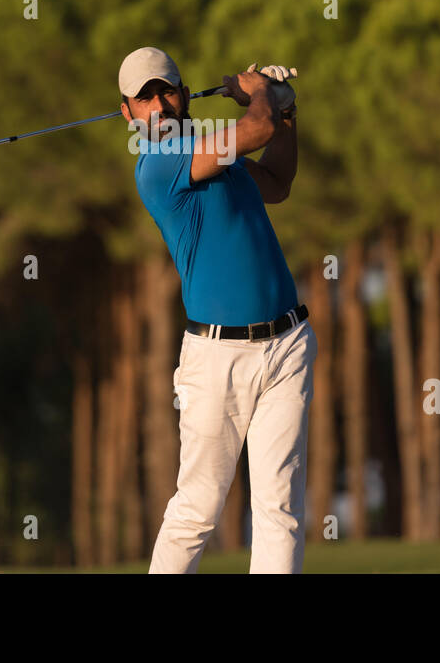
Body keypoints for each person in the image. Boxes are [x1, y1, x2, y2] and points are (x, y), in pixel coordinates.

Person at [117, 46, 317, 573]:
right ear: (128, 114)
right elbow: (254, 132)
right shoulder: (157, 165)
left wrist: (285, 111)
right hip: (217, 358)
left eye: (165, 91)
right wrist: (258, 95)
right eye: (145, 98)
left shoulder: (215, 157)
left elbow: (277, 183)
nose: (158, 104)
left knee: (280, 511)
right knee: (197, 510)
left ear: (184, 95)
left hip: (287, 344)